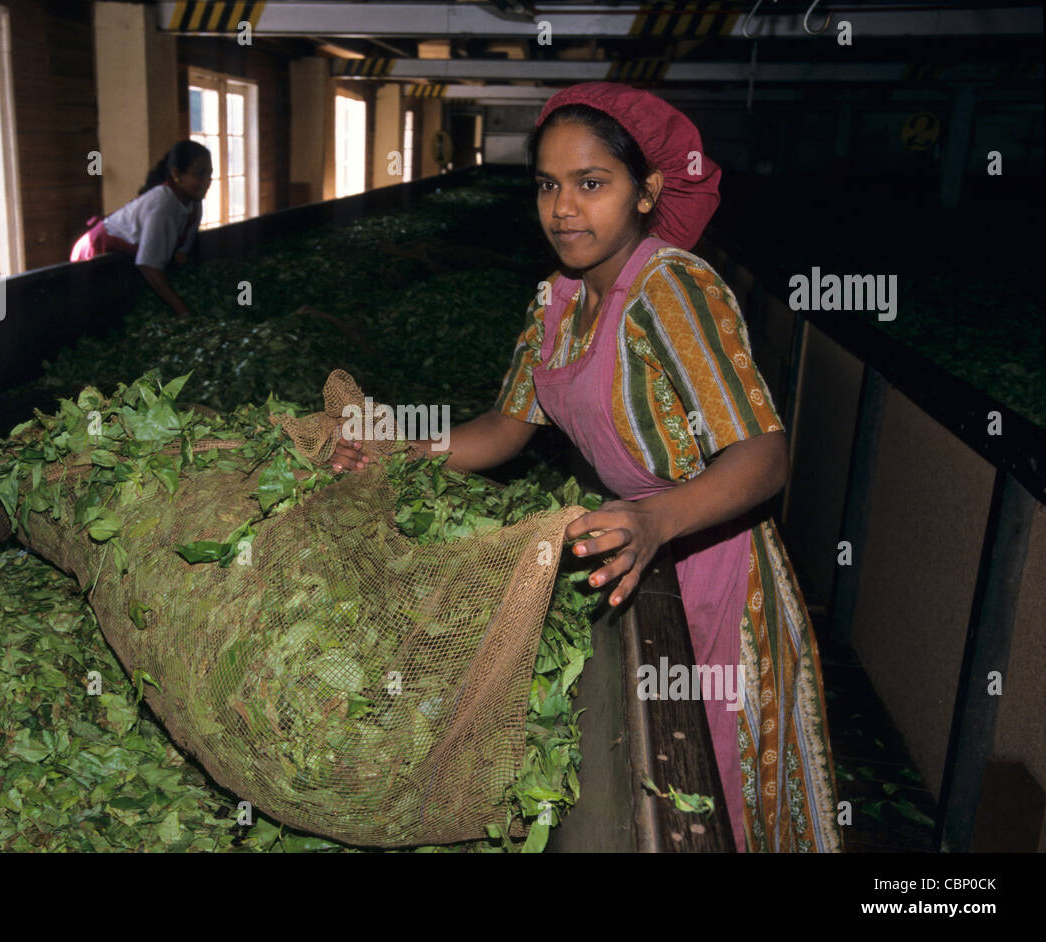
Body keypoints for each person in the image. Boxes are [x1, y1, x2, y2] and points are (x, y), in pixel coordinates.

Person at [332, 82, 840, 853]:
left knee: (724, 787)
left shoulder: (672, 289)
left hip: (717, 565)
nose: (564, 208)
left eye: (591, 183)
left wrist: (653, 518)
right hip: (634, 542)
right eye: (548, 185)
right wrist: (400, 446)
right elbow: (506, 428)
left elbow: (765, 455)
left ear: (648, 191)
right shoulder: (558, 301)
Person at [70, 140, 212, 317]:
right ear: (177, 174)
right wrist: (183, 310)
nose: (207, 182)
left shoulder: (194, 203)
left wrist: (195, 289)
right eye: (199, 174)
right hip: (95, 251)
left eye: (209, 175)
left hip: (128, 257)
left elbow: (180, 256)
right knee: (95, 312)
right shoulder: (164, 204)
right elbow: (148, 265)